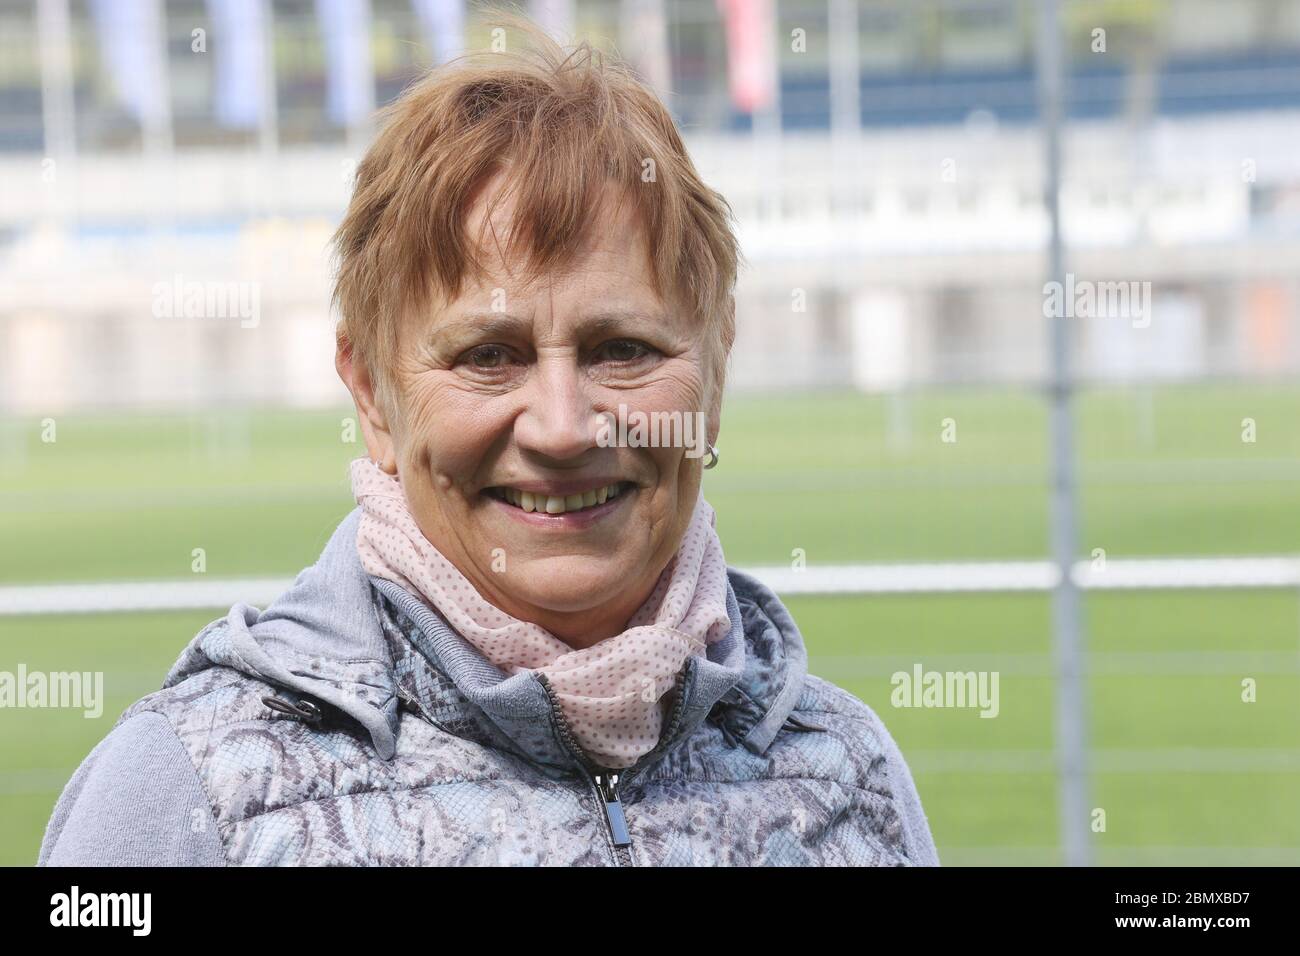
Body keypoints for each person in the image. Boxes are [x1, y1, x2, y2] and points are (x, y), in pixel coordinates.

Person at [38, 14, 938, 866]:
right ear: (373, 396)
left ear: (717, 370)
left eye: (621, 349)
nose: (561, 427)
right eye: (488, 356)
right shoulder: (191, 794)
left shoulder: (848, 777)